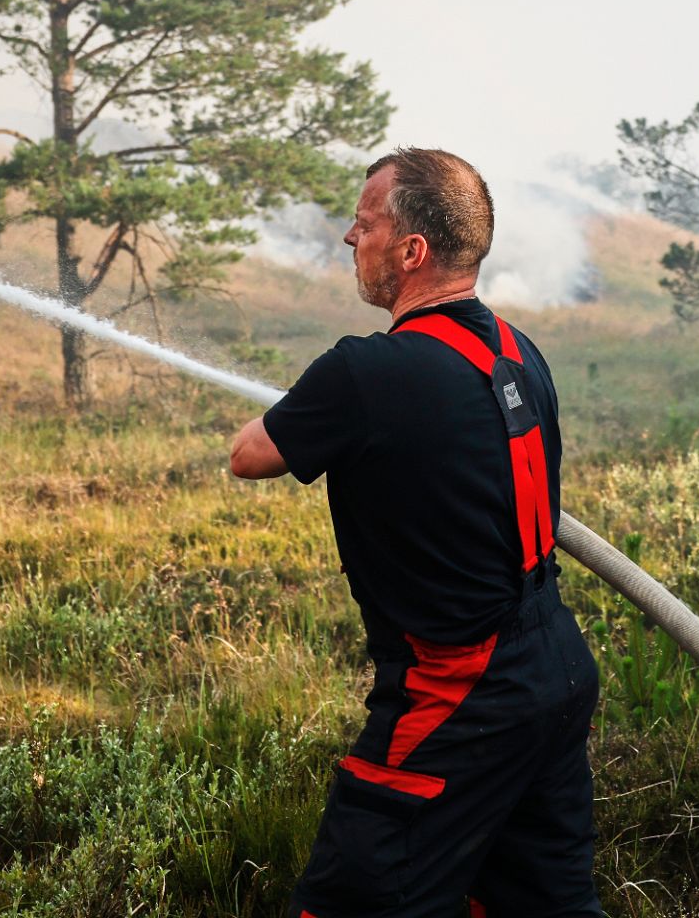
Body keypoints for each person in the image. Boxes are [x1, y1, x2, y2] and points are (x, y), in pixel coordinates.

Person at [230, 148, 605, 918]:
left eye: (364, 224)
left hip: (459, 694)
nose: (349, 238)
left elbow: (249, 456)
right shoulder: (518, 352)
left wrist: (321, 402)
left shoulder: (366, 372)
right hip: (556, 671)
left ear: (411, 251)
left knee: (359, 901)